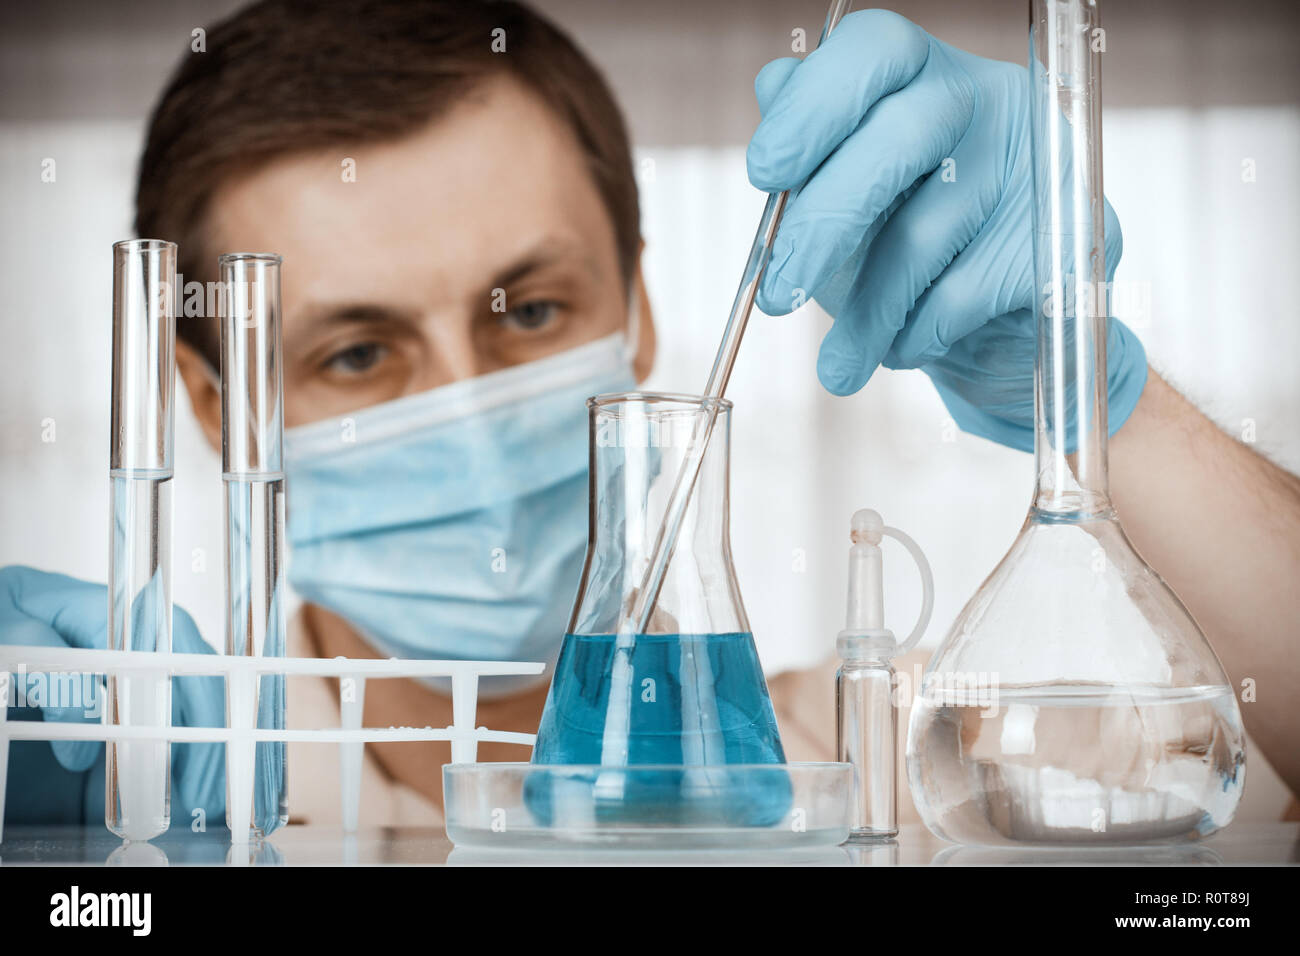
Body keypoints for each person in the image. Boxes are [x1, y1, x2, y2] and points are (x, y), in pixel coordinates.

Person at [3, 1, 1296, 830]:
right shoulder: (131, 790)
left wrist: (1102, 405)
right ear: (214, 408)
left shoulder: (886, 766)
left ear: (642, 313)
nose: (466, 419)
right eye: (355, 352)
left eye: (527, 314)